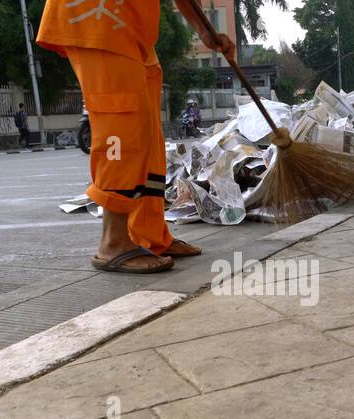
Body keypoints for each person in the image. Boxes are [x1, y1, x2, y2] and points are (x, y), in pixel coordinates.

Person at [36, 1, 231, 273]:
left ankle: (149, 235)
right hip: (98, 17)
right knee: (122, 127)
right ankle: (113, 242)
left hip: (131, 25)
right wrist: (204, 30)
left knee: (148, 136)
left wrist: (204, 30)